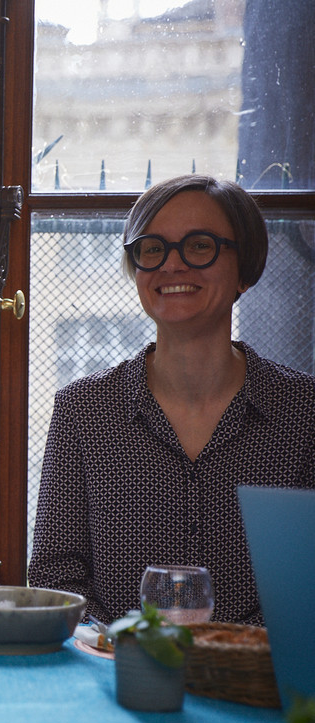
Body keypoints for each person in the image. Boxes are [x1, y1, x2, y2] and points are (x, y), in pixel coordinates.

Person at [28, 174, 315, 626]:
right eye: (152, 248)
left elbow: (305, 586)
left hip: (261, 668)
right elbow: (55, 577)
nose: (172, 265)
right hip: (114, 664)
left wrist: (231, 652)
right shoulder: (82, 410)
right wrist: (127, 646)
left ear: (245, 269)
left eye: (200, 246)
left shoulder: (304, 411)